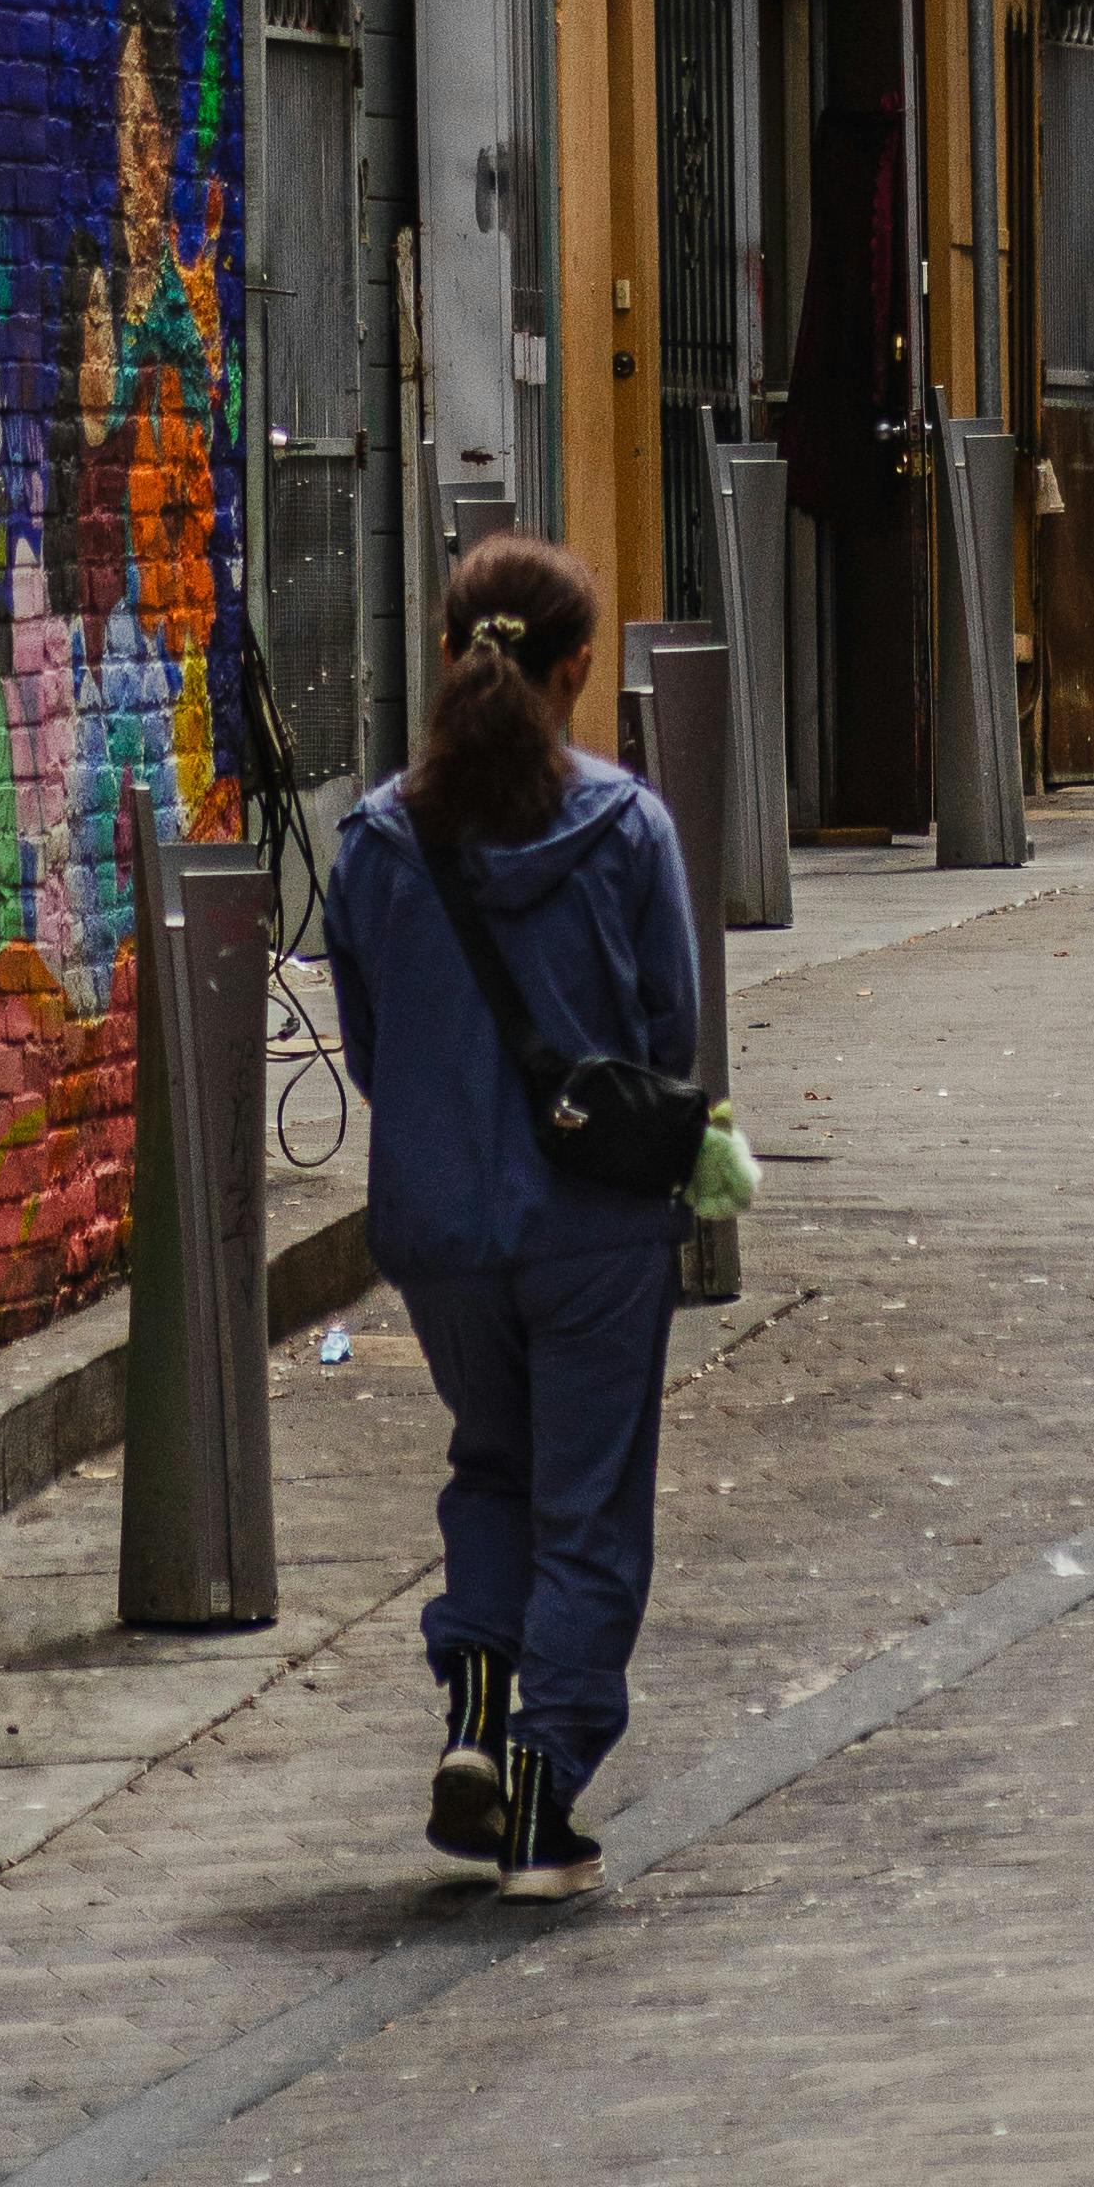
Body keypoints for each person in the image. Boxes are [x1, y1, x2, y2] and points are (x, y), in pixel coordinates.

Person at [324, 535, 698, 1907]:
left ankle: (473, 1713)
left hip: (442, 1226)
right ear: (579, 669)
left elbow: (372, 1051)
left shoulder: (372, 839)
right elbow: (671, 1036)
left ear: (445, 657)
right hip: (596, 1227)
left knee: (494, 1464)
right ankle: (542, 1798)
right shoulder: (627, 828)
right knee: (586, 1499)